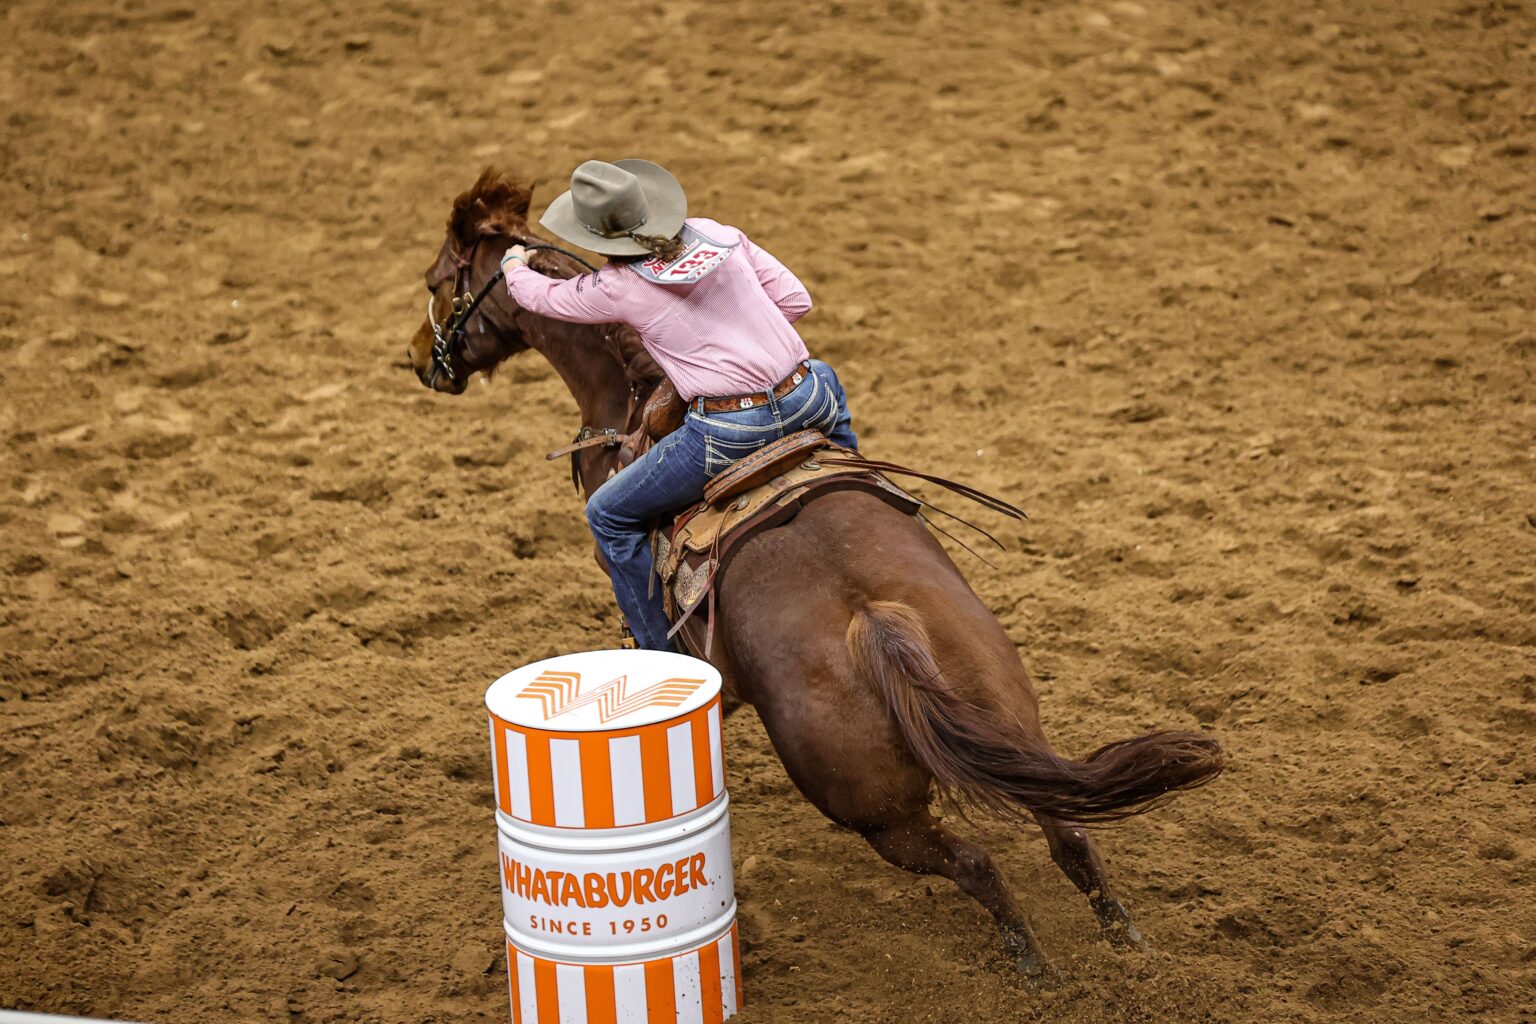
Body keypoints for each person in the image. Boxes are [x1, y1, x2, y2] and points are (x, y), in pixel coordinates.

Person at [499, 158, 857, 651]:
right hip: (807, 395)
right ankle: (861, 475)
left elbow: (544, 298)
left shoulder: (619, 287)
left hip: (730, 433)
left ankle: (662, 655)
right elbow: (796, 302)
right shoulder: (718, 234)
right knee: (827, 379)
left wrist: (513, 264)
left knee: (607, 515)